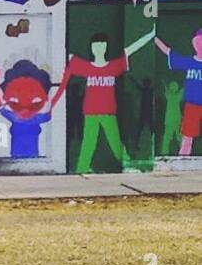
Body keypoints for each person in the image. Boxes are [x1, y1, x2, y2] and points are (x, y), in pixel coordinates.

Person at [56, 27, 155, 172]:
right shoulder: (85, 67)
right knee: (88, 143)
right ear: (91, 48)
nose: (99, 48)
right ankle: (81, 168)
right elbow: (63, 52)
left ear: (106, 47)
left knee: (115, 142)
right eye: (96, 45)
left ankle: (126, 164)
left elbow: (132, 49)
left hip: (108, 112)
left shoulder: (114, 67)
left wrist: (150, 34)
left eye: (102, 45)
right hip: (90, 112)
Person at [155, 29, 202, 155]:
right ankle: (183, 161)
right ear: (194, 44)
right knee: (187, 137)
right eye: (199, 42)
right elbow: (168, 52)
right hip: (192, 105)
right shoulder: (189, 62)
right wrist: (155, 39)